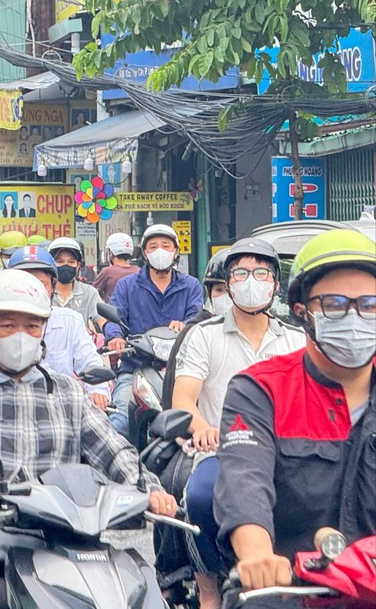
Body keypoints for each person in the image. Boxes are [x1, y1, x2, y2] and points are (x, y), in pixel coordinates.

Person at [0, 268, 178, 608]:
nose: (20, 336)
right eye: (7, 326)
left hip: (66, 545)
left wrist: (150, 489)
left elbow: (112, 448)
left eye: (31, 326)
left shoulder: (67, 390)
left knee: (137, 591)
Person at [214, 229, 376, 602]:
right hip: (290, 590)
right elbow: (244, 480)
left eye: (369, 305)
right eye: (335, 304)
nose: (355, 317)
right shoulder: (260, 390)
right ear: (302, 313)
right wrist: (257, 554)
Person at [166, 238, 303, 609]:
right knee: (197, 497)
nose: (251, 280)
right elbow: (184, 400)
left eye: (261, 273)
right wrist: (203, 428)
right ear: (228, 284)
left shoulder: (296, 340)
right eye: (241, 273)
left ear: (275, 284)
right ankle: (208, 587)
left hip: (287, 453)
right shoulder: (204, 335)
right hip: (220, 451)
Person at [103, 224, 204, 434]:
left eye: (166, 246)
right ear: (145, 253)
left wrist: (186, 326)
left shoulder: (191, 285)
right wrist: (115, 337)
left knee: (201, 418)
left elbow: (197, 317)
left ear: (176, 252)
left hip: (180, 371)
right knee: (119, 422)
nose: (160, 251)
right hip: (135, 368)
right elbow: (114, 316)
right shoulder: (127, 286)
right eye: (153, 246)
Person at [8, 245, 111, 409]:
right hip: (12, 407)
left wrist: (97, 391)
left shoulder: (70, 322)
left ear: (53, 285)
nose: (32, 291)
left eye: (41, 284)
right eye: (25, 284)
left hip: (63, 408)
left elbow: (90, 363)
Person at [160, 247, 232, 405]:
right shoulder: (197, 333)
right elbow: (179, 400)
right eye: (219, 290)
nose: (226, 297)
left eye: (230, 289)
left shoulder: (284, 335)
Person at [47, 237, 104, 330]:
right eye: (60, 261)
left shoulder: (89, 293)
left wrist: (113, 334)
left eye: (71, 262)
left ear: (78, 266)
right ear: (51, 264)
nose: (66, 265)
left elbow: (101, 318)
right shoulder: (43, 292)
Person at [92, 232, 138, 302]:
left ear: (111, 253)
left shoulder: (107, 272)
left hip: (112, 312)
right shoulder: (139, 271)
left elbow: (93, 293)